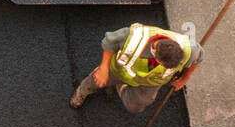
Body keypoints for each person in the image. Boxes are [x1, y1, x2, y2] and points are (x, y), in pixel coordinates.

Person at [71, 22, 202, 113]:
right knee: (97, 80)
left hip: (152, 81)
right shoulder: (133, 37)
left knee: (136, 106)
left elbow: (199, 57)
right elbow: (109, 41)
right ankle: (81, 92)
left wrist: (184, 78)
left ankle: (120, 86)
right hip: (120, 70)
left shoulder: (188, 49)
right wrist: (103, 68)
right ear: (155, 52)